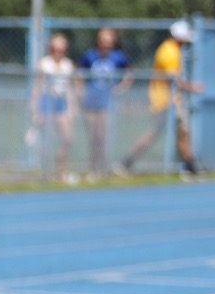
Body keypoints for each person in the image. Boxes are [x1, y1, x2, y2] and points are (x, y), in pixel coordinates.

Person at [121, 19, 205, 177]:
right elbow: (174, 81)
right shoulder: (169, 52)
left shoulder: (173, 50)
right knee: (160, 133)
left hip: (171, 100)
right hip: (166, 101)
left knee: (182, 132)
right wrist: (193, 87)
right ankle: (127, 161)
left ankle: (189, 164)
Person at [77, 27, 132, 179]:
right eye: (103, 40)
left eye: (109, 40)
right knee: (93, 136)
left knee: (103, 136)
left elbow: (129, 73)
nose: (106, 43)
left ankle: (103, 168)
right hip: (91, 100)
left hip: (107, 102)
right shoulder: (90, 55)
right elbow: (79, 73)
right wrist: (81, 91)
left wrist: (121, 88)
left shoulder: (118, 57)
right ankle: (93, 167)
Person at [32, 32, 77, 185]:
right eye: (55, 49)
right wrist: (35, 109)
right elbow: (37, 87)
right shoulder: (44, 64)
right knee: (47, 140)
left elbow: (70, 88)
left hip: (61, 102)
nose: (58, 53)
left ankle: (61, 171)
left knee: (67, 138)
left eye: (61, 50)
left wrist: (72, 108)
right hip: (47, 101)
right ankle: (45, 173)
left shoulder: (68, 65)